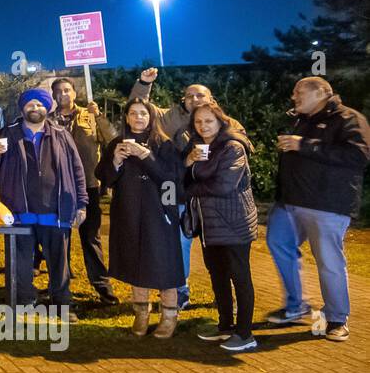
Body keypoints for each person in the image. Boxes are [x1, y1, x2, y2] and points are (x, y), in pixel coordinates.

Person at [129, 67, 251, 309]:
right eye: (189, 96)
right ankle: (182, 289)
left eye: (200, 96)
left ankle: (227, 298)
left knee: (222, 251)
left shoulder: (228, 125)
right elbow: (140, 107)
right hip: (186, 194)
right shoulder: (172, 118)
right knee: (182, 241)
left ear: (211, 101)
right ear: (183, 99)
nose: (195, 100)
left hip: (220, 202)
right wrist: (144, 82)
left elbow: (238, 151)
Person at [265, 77, 370, 342]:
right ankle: (296, 304)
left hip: (326, 204)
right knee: (278, 243)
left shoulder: (348, 118)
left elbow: (359, 155)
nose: (294, 96)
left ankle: (336, 318)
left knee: (328, 261)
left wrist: (304, 145)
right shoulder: (301, 119)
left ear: (322, 92)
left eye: (299, 91)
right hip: (289, 203)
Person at [0, 89, 87, 320]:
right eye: (30, 104)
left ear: (47, 108)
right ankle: (22, 302)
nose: (35, 108)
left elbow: (77, 169)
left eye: (40, 105)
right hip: (20, 210)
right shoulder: (8, 134)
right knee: (19, 262)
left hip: (55, 210)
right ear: (22, 108)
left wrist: (82, 203)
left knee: (59, 262)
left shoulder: (61, 134)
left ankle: (62, 304)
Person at [96, 98, 183, 338]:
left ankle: (169, 315)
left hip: (159, 213)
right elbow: (103, 176)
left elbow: (170, 180)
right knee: (136, 262)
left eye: (143, 113)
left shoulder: (163, 145)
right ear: (126, 117)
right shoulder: (117, 143)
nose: (138, 118)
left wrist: (146, 156)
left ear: (151, 117)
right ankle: (141, 313)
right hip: (129, 212)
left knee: (165, 264)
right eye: (133, 113)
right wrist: (115, 160)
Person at [184, 102, 258, 351]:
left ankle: (245, 334)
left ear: (220, 121)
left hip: (233, 222)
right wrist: (188, 162)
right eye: (198, 121)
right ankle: (225, 326)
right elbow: (183, 176)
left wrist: (189, 190)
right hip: (209, 225)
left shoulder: (233, 147)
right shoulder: (198, 147)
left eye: (208, 121)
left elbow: (223, 186)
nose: (203, 125)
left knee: (240, 277)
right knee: (217, 276)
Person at [49, 77, 118, 303]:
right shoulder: (49, 121)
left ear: (75, 92)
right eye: (58, 91)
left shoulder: (89, 115)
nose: (63, 94)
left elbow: (112, 139)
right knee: (60, 239)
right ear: (53, 95)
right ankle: (60, 284)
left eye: (67, 90)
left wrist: (98, 116)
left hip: (88, 185)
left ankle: (101, 284)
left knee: (91, 237)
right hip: (58, 188)